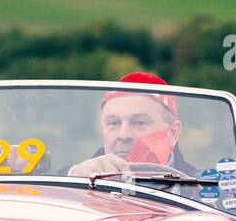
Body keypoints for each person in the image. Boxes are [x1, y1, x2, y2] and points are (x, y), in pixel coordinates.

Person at [68, 72, 199, 177]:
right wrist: (74, 175)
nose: (124, 135)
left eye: (139, 122)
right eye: (113, 123)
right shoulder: (76, 181)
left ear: (172, 133)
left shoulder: (207, 191)